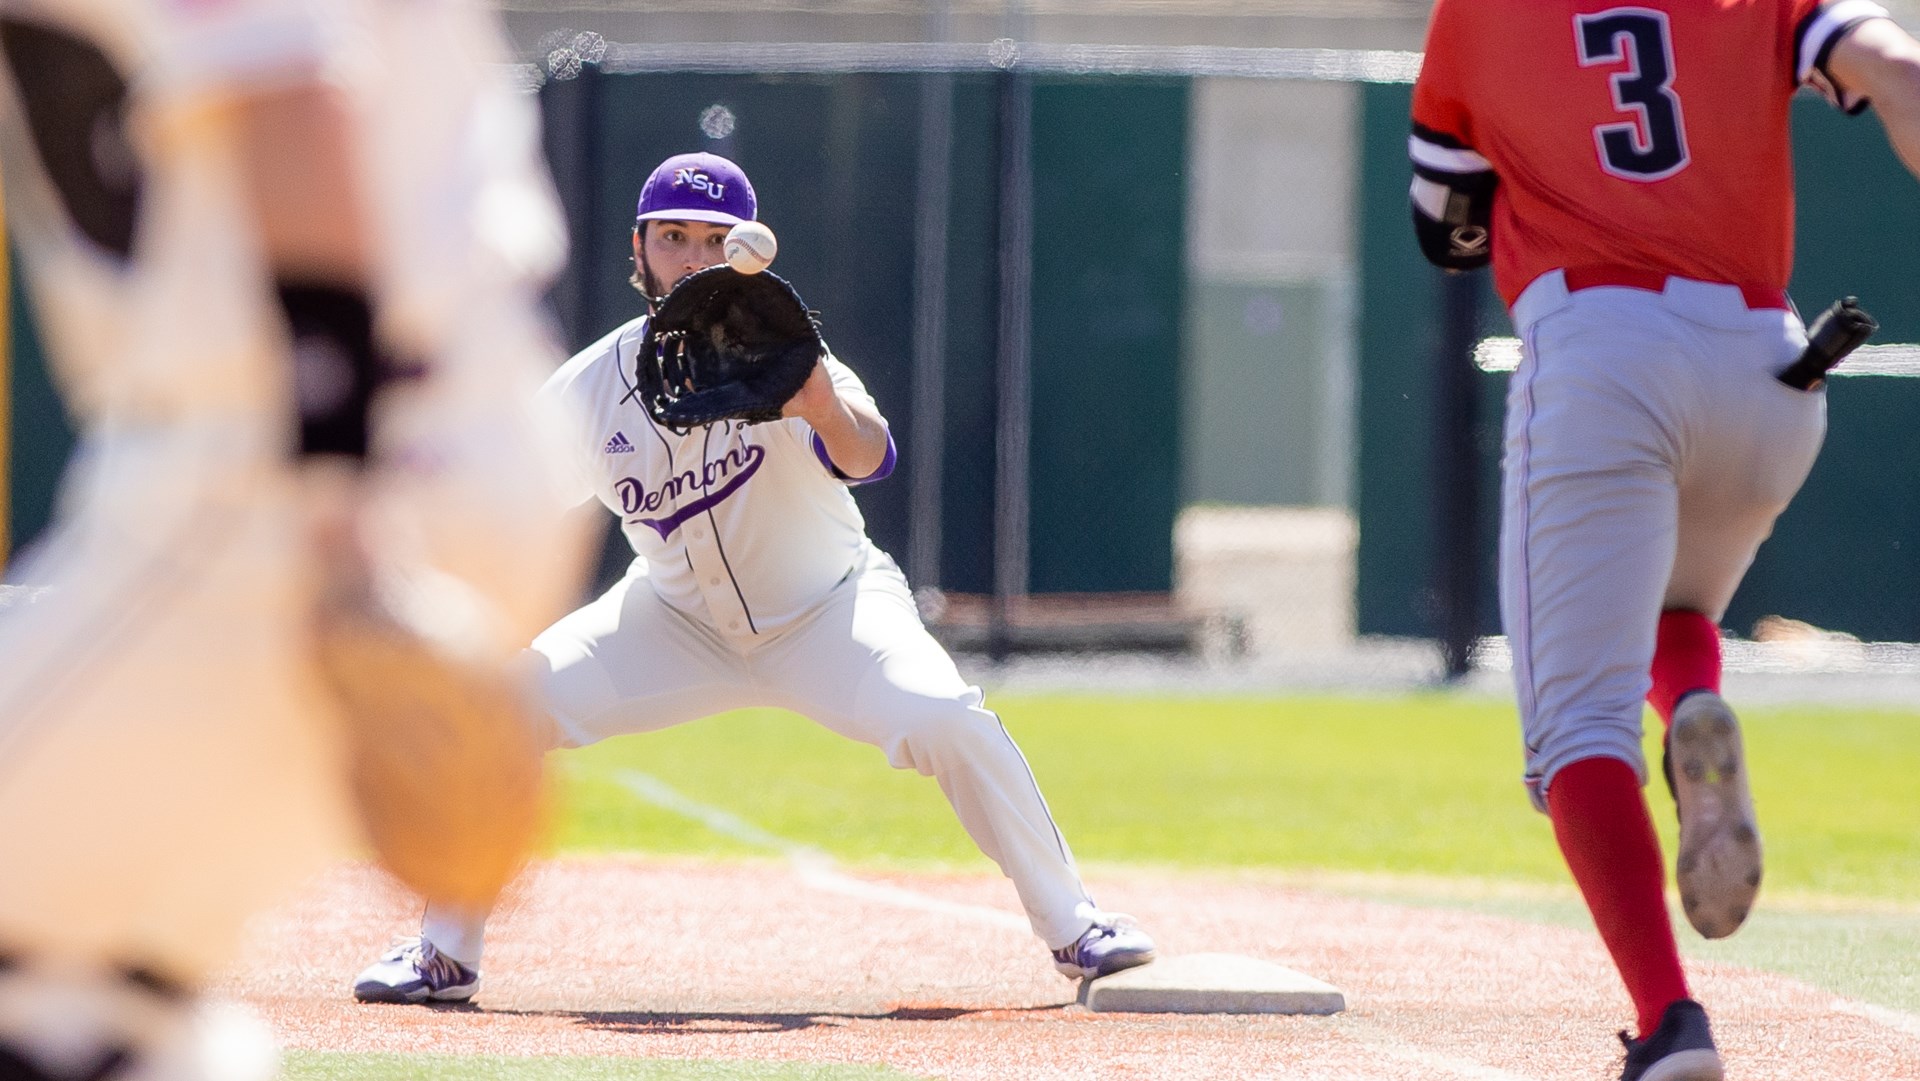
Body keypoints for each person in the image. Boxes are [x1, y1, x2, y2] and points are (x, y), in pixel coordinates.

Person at [351, 151, 1157, 1005]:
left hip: (829, 611)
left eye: (712, 239)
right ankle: (445, 950)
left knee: (942, 716)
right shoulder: (595, 385)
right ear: (638, 248)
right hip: (672, 621)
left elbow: (868, 452)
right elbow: (502, 506)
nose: (691, 257)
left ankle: (1076, 924)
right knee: (502, 709)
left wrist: (814, 398)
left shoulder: (787, 352)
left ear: (748, 252)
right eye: (672, 238)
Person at [0, 0, 587, 1075]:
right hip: (372, 452)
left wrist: (343, 512)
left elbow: (292, 102)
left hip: (297, 478)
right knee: (108, 991)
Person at [1409, 2, 1920, 1077]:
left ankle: (1670, 1022)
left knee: (1572, 733)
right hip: (1770, 368)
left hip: (1603, 348)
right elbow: (1887, 61)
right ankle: (1690, 697)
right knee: (1673, 607)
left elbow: (1443, 225)